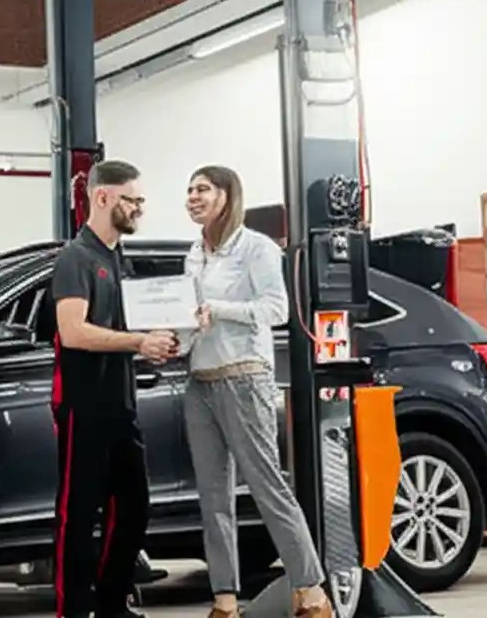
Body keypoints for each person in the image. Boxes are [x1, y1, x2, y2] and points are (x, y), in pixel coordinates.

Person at [180, 165, 332, 618]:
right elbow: (194, 318)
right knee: (213, 499)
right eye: (189, 190)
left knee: (268, 489)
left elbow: (277, 308)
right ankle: (225, 602)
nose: (192, 197)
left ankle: (312, 592)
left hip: (244, 379)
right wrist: (171, 341)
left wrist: (218, 309)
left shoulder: (256, 248)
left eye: (202, 189)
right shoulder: (194, 253)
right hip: (200, 383)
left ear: (226, 196)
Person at [51, 159, 177, 618]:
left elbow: (125, 328)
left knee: (134, 507)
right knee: (78, 514)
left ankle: (111, 605)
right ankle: (73, 610)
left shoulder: (116, 258)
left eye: (142, 201)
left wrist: (165, 336)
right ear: (102, 197)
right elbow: (74, 332)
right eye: (132, 200)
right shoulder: (76, 257)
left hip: (121, 405)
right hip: (83, 406)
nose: (139, 209)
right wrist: (138, 341)